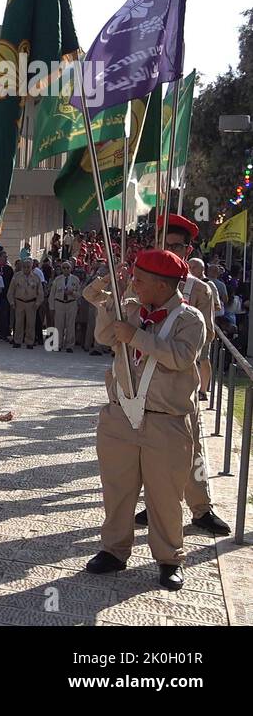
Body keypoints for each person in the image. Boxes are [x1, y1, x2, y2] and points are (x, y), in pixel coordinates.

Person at [82, 249, 205, 591]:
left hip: (165, 421)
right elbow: (105, 336)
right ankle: (114, 550)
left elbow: (180, 358)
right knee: (117, 489)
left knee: (164, 495)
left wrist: (135, 335)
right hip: (120, 416)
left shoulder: (188, 319)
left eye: (140, 278)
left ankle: (169, 559)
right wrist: (115, 292)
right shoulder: (132, 308)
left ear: (162, 284)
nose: (134, 281)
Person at [129, 214, 231, 537]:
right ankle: (155, 503)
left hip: (181, 380)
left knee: (193, 448)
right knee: (149, 447)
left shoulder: (200, 290)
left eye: (178, 245)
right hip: (146, 380)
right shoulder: (145, 281)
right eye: (166, 244)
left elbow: (207, 337)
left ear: (189, 249)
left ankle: (202, 509)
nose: (172, 248)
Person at [48, 261, 81, 354]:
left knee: (70, 325)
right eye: (64, 268)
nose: (66, 270)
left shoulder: (75, 279)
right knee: (59, 325)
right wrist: (52, 307)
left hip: (71, 303)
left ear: (71, 269)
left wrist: (72, 293)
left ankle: (69, 345)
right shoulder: (57, 280)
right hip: (59, 303)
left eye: (68, 268)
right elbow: (52, 294)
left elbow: (80, 294)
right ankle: (58, 344)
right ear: (61, 269)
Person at [7, 258, 42, 348]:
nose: (26, 268)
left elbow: (40, 292)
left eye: (28, 267)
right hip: (19, 302)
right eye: (24, 267)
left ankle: (30, 342)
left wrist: (38, 303)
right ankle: (17, 341)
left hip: (31, 303)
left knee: (31, 323)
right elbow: (11, 291)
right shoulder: (17, 276)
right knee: (19, 322)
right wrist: (11, 302)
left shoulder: (36, 277)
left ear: (31, 267)